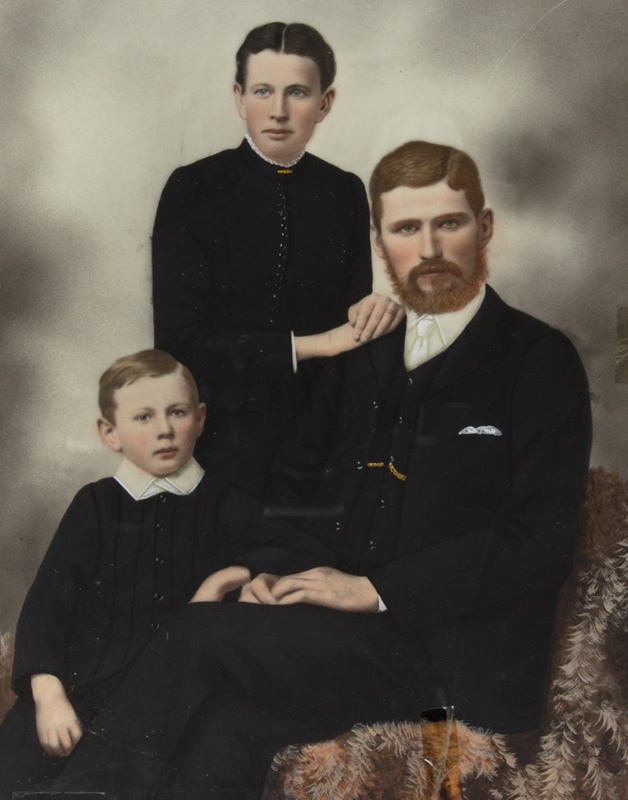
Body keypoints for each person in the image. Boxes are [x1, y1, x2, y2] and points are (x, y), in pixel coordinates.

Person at [36, 141, 591, 799]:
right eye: (406, 228)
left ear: (486, 227)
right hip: (340, 651)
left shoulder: (539, 358)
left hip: (458, 673)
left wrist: (374, 588)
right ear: (380, 241)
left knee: (201, 635)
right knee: (222, 729)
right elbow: (293, 493)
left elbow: (541, 542)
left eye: (450, 223)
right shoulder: (360, 357)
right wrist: (270, 572)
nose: (430, 246)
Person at [0, 349, 330, 799]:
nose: (163, 430)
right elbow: (48, 602)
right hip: (82, 689)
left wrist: (233, 575)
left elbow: (302, 546)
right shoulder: (96, 505)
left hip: (170, 704)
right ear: (110, 434)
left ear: (199, 419)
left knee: (195, 762)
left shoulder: (222, 502)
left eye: (177, 413)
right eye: (143, 417)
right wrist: (48, 692)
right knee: (19, 752)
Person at [152, 21, 403, 496]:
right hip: (218, 440)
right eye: (263, 91)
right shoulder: (194, 188)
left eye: (299, 92)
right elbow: (179, 343)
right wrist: (314, 344)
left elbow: (351, 329)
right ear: (239, 97)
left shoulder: (345, 192)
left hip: (322, 439)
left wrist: (377, 311)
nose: (280, 111)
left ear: (324, 103)